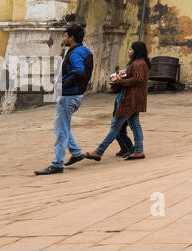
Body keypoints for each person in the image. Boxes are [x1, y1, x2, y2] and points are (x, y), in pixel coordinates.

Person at [36, 24, 93, 175]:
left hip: (69, 95)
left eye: (66, 36)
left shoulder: (75, 54)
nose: (64, 38)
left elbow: (79, 72)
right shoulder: (85, 51)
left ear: (72, 37)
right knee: (63, 125)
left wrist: (63, 84)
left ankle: (57, 163)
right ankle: (76, 152)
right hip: (76, 94)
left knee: (61, 130)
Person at [84, 41, 151, 161]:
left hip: (130, 99)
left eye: (131, 49)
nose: (129, 51)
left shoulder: (137, 64)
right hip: (134, 99)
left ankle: (99, 151)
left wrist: (120, 81)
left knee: (116, 126)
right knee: (134, 124)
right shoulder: (141, 63)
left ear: (136, 51)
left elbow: (136, 80)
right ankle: (139, 150)